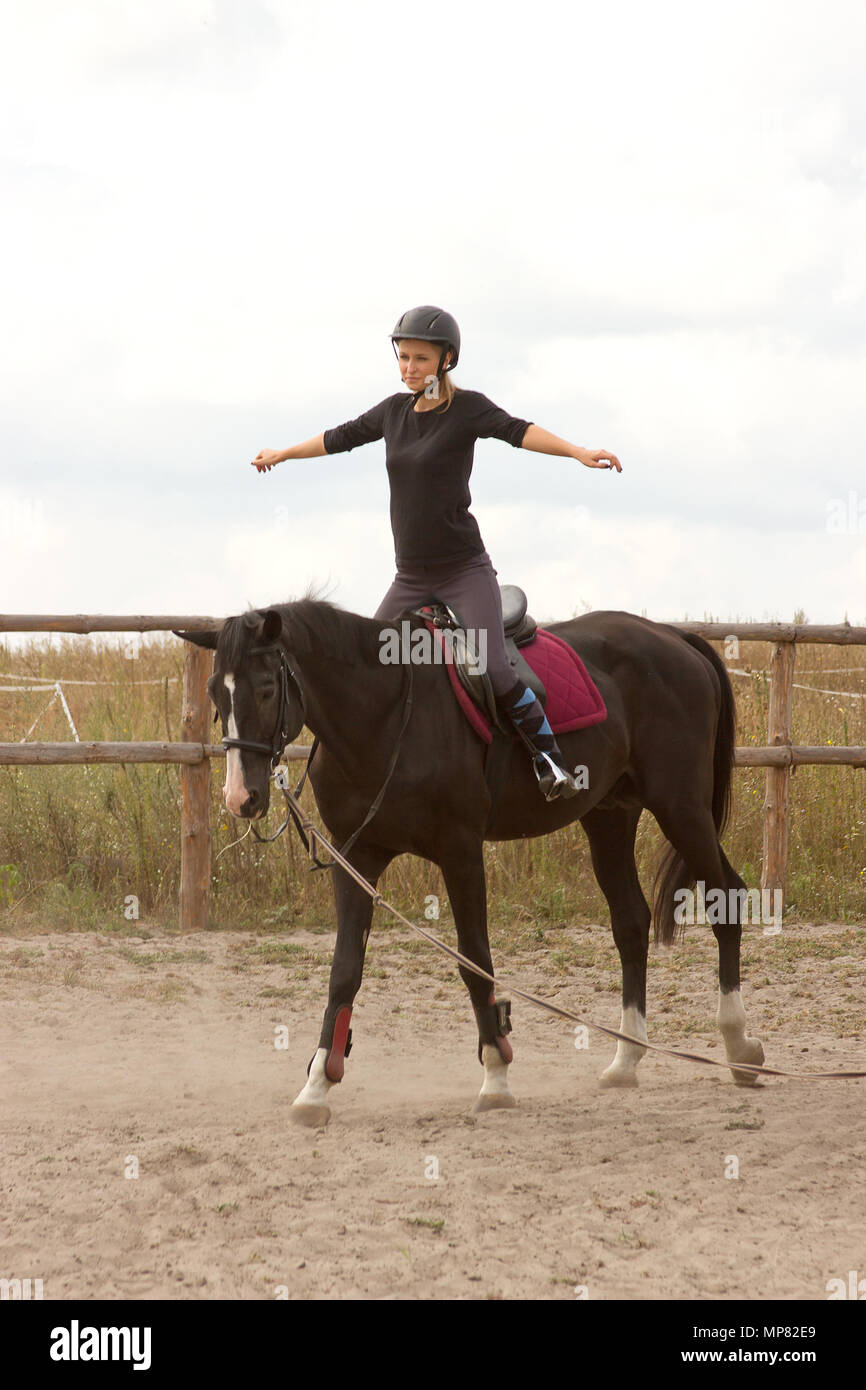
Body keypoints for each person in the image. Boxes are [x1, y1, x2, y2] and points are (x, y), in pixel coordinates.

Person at [252, 305, 621, 799]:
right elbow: (338, 438)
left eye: (420, 359)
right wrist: (283, 453)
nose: (408, 368)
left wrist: (577, 451)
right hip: (409, 577)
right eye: (402, 358)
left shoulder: (466, 410)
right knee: (374, 656)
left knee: (492, 664)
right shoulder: (392, 413)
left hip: (462, 570)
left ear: (446, 359)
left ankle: (550, 763)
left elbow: (518, 430)